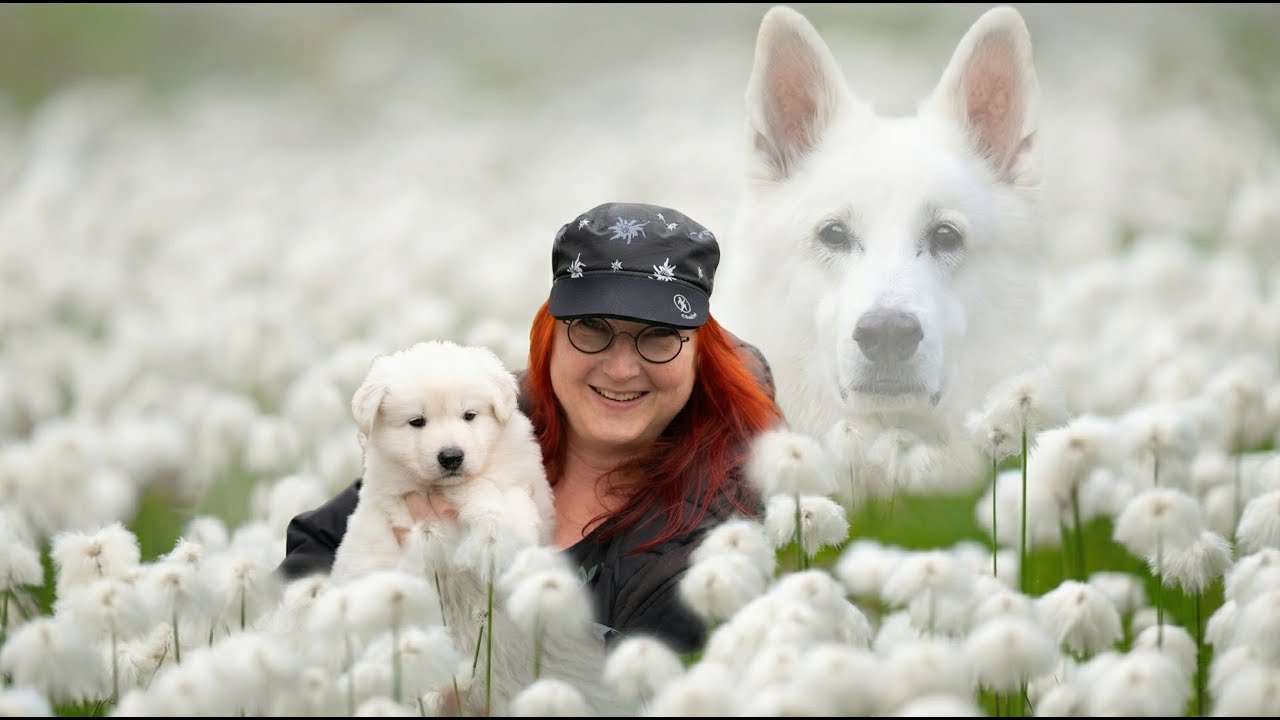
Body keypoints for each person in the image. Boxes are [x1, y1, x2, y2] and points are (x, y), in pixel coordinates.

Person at [277, 201, 784, 653]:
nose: (622, 368)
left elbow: (640, 681)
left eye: (658, 337)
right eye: (592, 329)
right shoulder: (487, 420)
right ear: (549, 336)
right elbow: (313, 550)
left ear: (701, 354)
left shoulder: (720, 521)